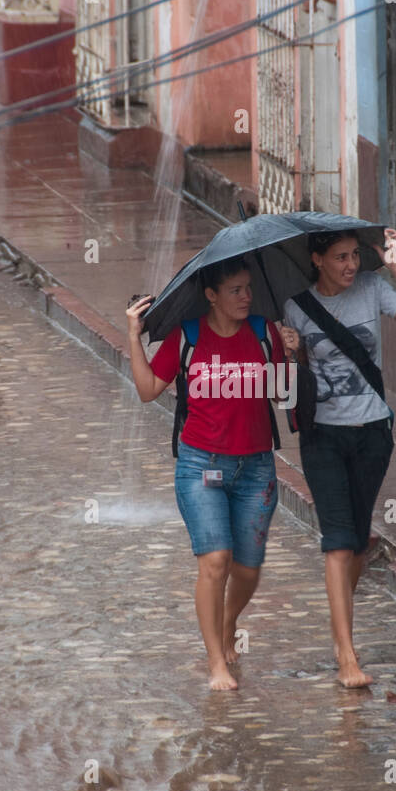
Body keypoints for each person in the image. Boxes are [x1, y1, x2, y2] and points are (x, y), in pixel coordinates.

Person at [279, 228, 396, 688]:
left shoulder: (371, 289)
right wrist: (292, 352)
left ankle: (339, 623)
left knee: (360, 540)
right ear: (317, 259)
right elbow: (296, 378)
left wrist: (395, 267)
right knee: (338, 540)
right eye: (340, 258)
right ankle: (347, 655)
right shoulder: (295, 307)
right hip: (322, 434)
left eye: (353, 257)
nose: (350, 265)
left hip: (372, 434)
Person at [127, 258, 287, 691]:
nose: (245, 297)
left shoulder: (263, 331)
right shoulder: (188, 336)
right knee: (216, 562)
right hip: (201, 467)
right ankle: (217, 662)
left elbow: (282, 396)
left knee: (248, 569)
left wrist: (289, 352)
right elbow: (147, 392)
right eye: (234, 290)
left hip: (256, 468)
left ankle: (228, 619)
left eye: (248, 288)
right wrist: (132, 337)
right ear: (211, 296)